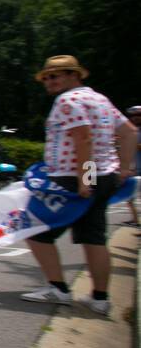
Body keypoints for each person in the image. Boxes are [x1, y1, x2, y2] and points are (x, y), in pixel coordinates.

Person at [21, 56, 136, 316]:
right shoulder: (100, 99)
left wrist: (85, 179)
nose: (49, 81)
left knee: (35, 229)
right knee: (94, 237)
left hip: (73, 177)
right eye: (46, 77)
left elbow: (82, 138)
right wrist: (126, 168)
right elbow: (129, 132)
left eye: (55, 75)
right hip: (105, 174)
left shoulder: (67, 100)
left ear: (74, 75)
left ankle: (58, 288)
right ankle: (100, 298)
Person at [126, 104, 141, 227]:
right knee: (129, 197)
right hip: (134, 170)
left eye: (138, 115)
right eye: (133, 116)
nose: (135, 118)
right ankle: (136, 221)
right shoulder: (132, 131)